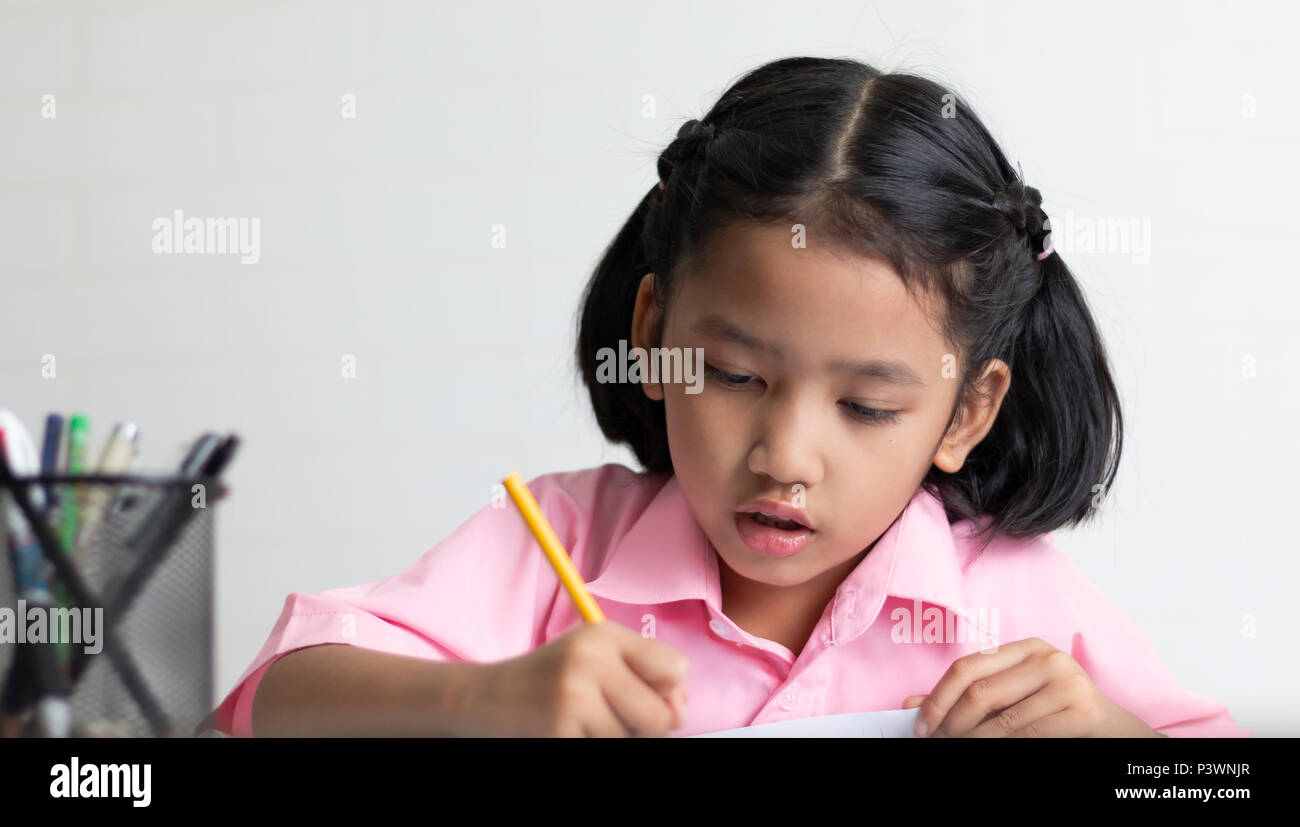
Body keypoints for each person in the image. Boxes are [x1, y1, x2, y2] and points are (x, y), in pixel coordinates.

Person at [201, 56, 1247, 738]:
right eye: (735, 376)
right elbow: (268, 701)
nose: (785, 454)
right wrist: (476, 700)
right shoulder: (558, 546)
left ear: (965, 412)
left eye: (867, 406)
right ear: (652, 334)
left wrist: (1111, 740)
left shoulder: (1011, 598)